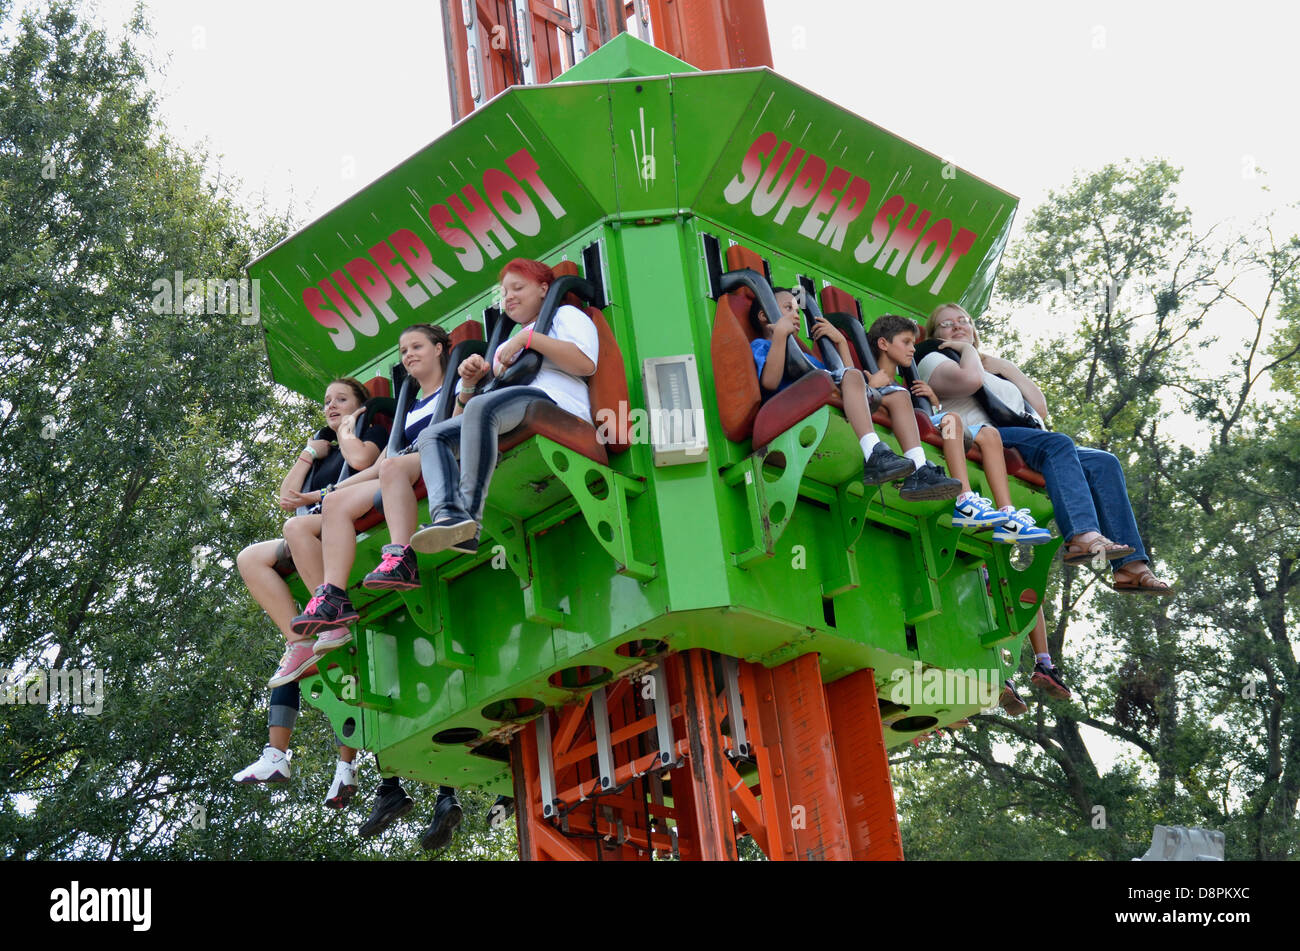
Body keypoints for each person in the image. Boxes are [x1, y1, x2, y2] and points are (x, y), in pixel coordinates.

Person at [284, 324, 468, 842]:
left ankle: (399, 555)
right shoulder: (409, 403)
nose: (409, 354)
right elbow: (378, 461)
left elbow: (451, 427)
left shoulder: (453, 384)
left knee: (383, 472)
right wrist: (332, 490)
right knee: (340, 499)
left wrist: (355, 455)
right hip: (402, 465)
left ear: (440, 350)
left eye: (417, 347)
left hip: (440, 457)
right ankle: (332, 596)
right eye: (403, 350)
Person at [916, 303, 1174, 597]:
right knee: (1058, 443)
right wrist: (968, 352)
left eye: (964, 321)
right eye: (947, 324)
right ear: (935, 335)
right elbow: (969, 382)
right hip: (981, 434)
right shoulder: (934, 358)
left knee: (1104, 462)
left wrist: (1005, 368)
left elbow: (1039, 409)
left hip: (1021, 434)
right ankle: (1081, 535)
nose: (958, 326)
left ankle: (1131, 568)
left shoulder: (989, 368)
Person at [233, 378, 387, 806]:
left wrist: (345, 431)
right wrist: (310, 451)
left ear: (360, 404)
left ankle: (345, 764)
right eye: (326, 403)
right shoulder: (326, 452)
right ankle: (299, 640)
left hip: (350, 514)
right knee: (250, 557)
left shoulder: (367, 431)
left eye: (341, 400)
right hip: (313, 526)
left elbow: (364, 460)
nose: (332, 407)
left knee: (296, 526)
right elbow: (287, 496)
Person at [407, 257, 601, 554]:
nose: (509, 297)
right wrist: (471, 380)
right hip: (507, 408)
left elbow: (585, 364)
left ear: (543, 288)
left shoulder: (565, 316)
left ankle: (469, 517)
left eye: (518, 288)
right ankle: (449, 515)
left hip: (556, 402)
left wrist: (529, 338)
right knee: (432, 436)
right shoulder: (506, 343)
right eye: (504, 292)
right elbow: (470, 411)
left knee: (483, 408)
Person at [750, 288, 960, 501]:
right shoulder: (763, 345)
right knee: (854, 377)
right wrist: (779, 336)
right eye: (788, 308)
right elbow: (769, 382)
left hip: (826, 394)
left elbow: (847, 378)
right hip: (790, 406)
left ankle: (918, 468)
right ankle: (873, 453)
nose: (795, 314)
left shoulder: (807, 357)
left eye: (797, 309)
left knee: (899, 395)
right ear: (764, 314)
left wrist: (841, 342)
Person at [866, 313, 1051, 544]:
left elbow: (930, 409)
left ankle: (1007, 514)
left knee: (989, 432)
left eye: (913, 343)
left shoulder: (909, 379)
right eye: (906, 343)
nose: (913, 349)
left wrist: (933, 399)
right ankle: (964, 501)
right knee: (953, 420)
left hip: (932, 418)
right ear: (884, 344)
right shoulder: (872, 375)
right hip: (926, 423)